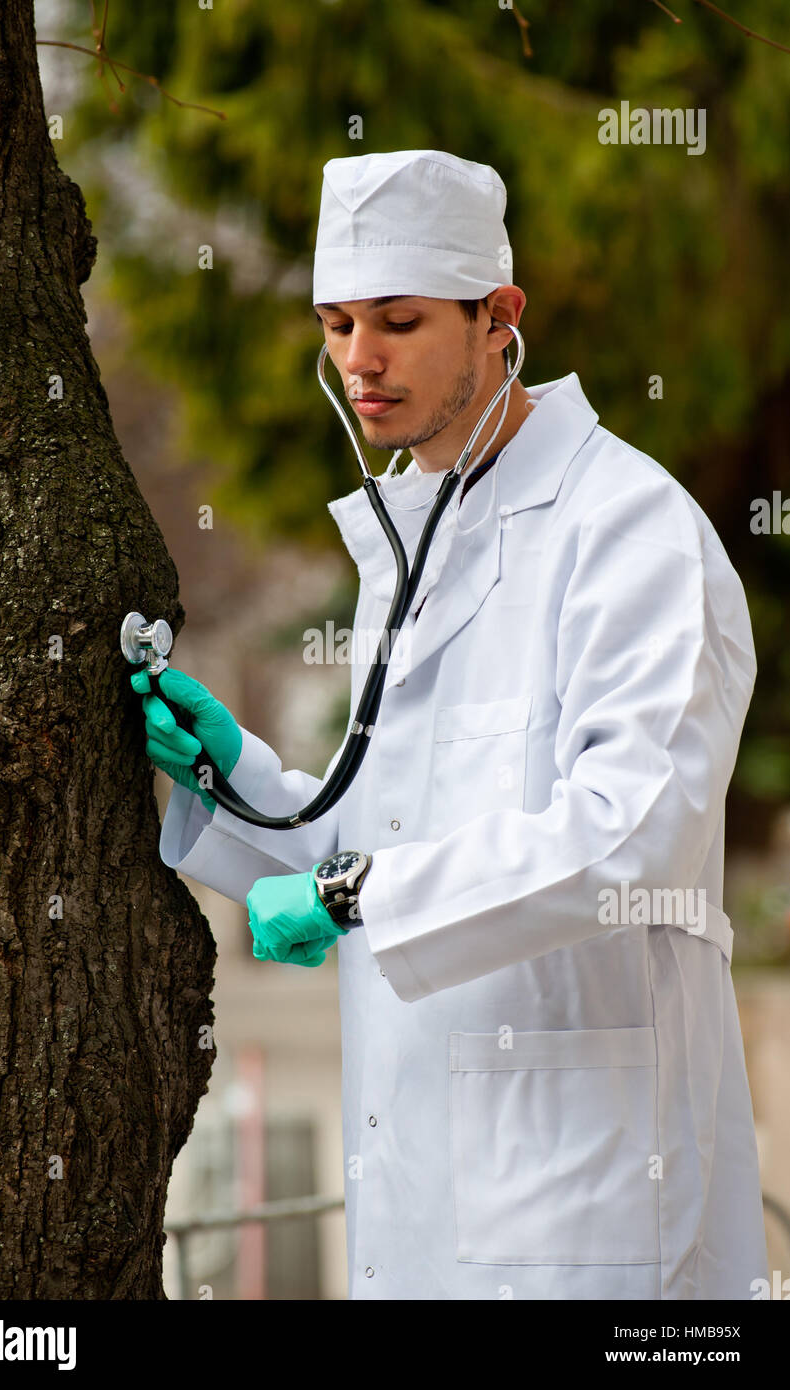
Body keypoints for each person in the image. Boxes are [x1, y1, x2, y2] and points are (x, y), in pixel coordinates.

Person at [133, 150, 768, 1300]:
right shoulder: (419, 536)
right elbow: (385, 841)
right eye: (335, 324)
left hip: (590, 1196)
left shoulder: (628, 531)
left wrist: (348, 894)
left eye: (400, 321)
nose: (358, 360)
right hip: (420, 1191)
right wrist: (234, 779)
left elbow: (630, 836)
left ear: (498, 319)